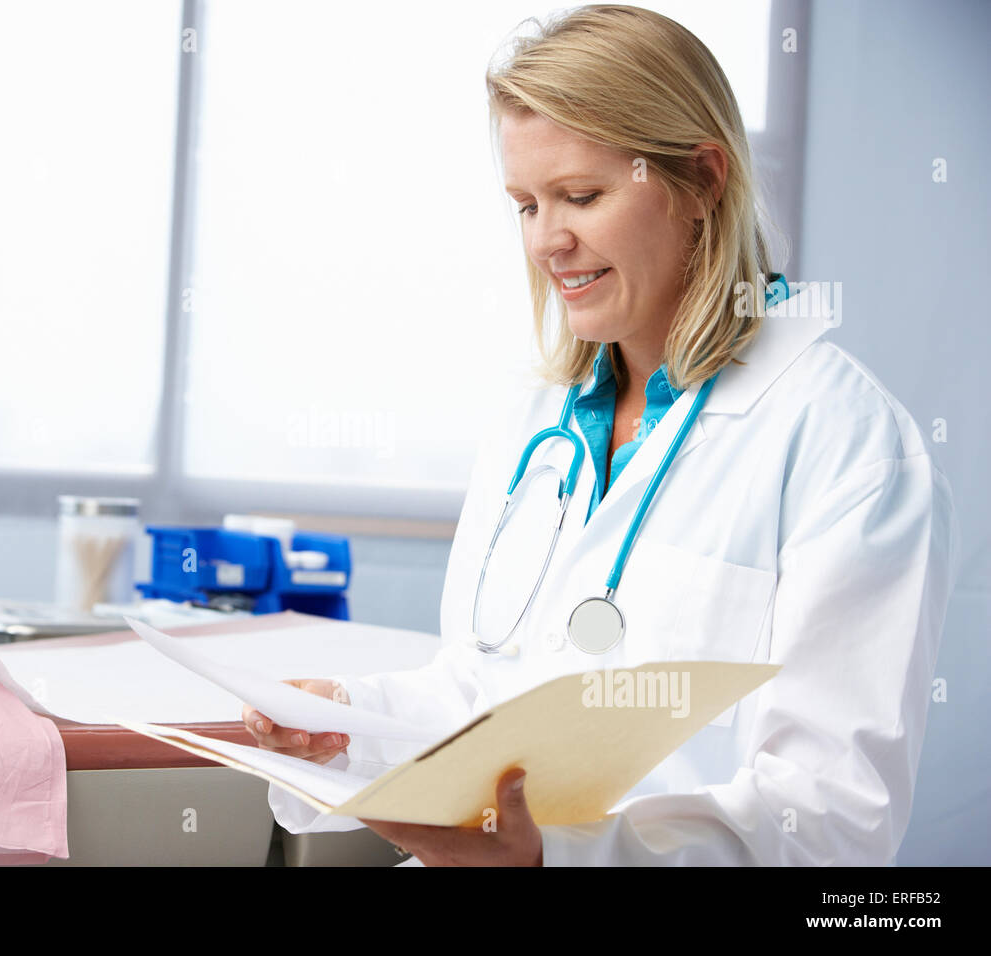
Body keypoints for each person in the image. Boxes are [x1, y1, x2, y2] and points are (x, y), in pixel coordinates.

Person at [242, 4, 956, 866]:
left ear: (702, 182)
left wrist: (564, 859)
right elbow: (483, 688)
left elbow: (833, 819)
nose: (549, 240)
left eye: (581, 196)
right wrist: (343, 721)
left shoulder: (844, 442)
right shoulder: (536, 420)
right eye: (526, 204)